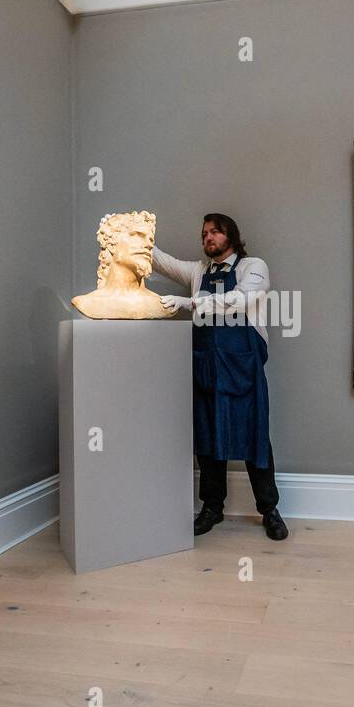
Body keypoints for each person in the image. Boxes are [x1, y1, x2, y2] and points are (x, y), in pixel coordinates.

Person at [151, 214, 288, 541]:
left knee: (255, 436)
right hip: (206, 368)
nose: (208, 238)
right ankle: (212, 507)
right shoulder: (199, 272)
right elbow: (162, 262)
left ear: (232, 236)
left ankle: (269, 509)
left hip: (243, 367)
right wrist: (134, 234)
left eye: (215, 232)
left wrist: (190, 302)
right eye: (204, 234)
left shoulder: (253, 266)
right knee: (208, 438)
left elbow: (241, 300)